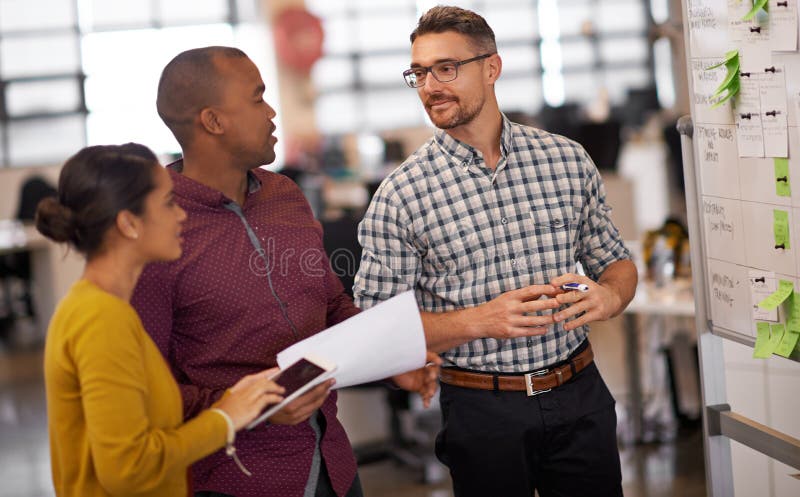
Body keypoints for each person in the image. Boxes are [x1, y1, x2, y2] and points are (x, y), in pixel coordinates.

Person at [354, 6, 637, 497]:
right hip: (482, 413)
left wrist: (610, 296)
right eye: (419, 73)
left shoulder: (566, 159)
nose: (430, 86)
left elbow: (616, 262)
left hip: (580, 394)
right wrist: (479, 321)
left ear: (491, 68)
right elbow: (376, 327)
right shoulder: (401, 195)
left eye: (446, 68)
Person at [131, 46, 439, 497]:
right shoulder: (159, 226)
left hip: (333, 463)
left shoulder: (284, 195)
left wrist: (390, 362)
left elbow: (331, 306)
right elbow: (147, 386)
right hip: (238, 480)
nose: (272, 112)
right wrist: (256, 408)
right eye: (257, 98)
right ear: (213, 121)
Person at [38, 143, 285, 497]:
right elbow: (129, 469)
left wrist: (236, 399)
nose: (181, 214)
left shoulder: (104, 308)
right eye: (168, 203)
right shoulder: (100, 318)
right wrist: (226, 418)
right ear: (128, 223)